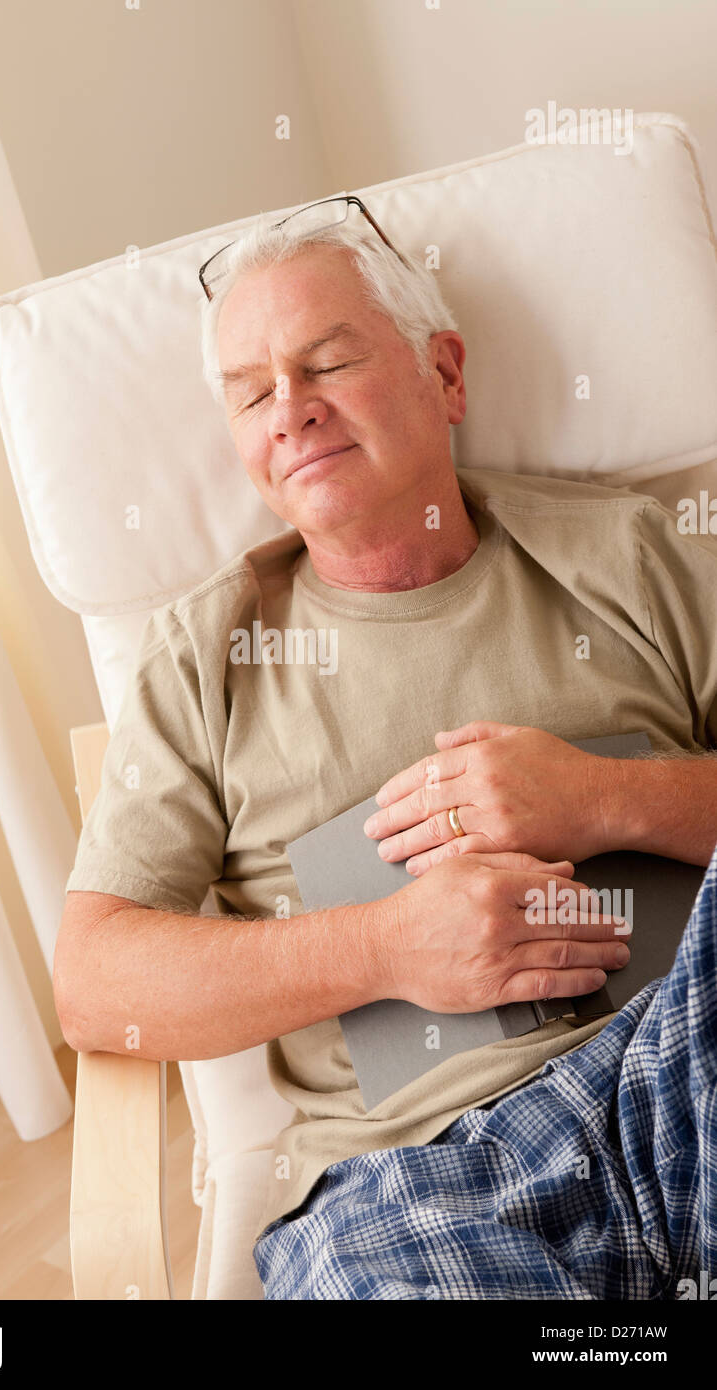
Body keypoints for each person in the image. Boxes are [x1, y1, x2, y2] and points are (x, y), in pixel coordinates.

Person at [55, 197, 717, 1299]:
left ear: (442, 377)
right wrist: (384, 948)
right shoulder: (203, 659)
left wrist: (611, 799)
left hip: (674, 1068)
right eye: (252, 392)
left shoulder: (622, 553)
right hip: (416, 1183)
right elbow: (93, 982)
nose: (290, 412)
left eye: (326, 363)